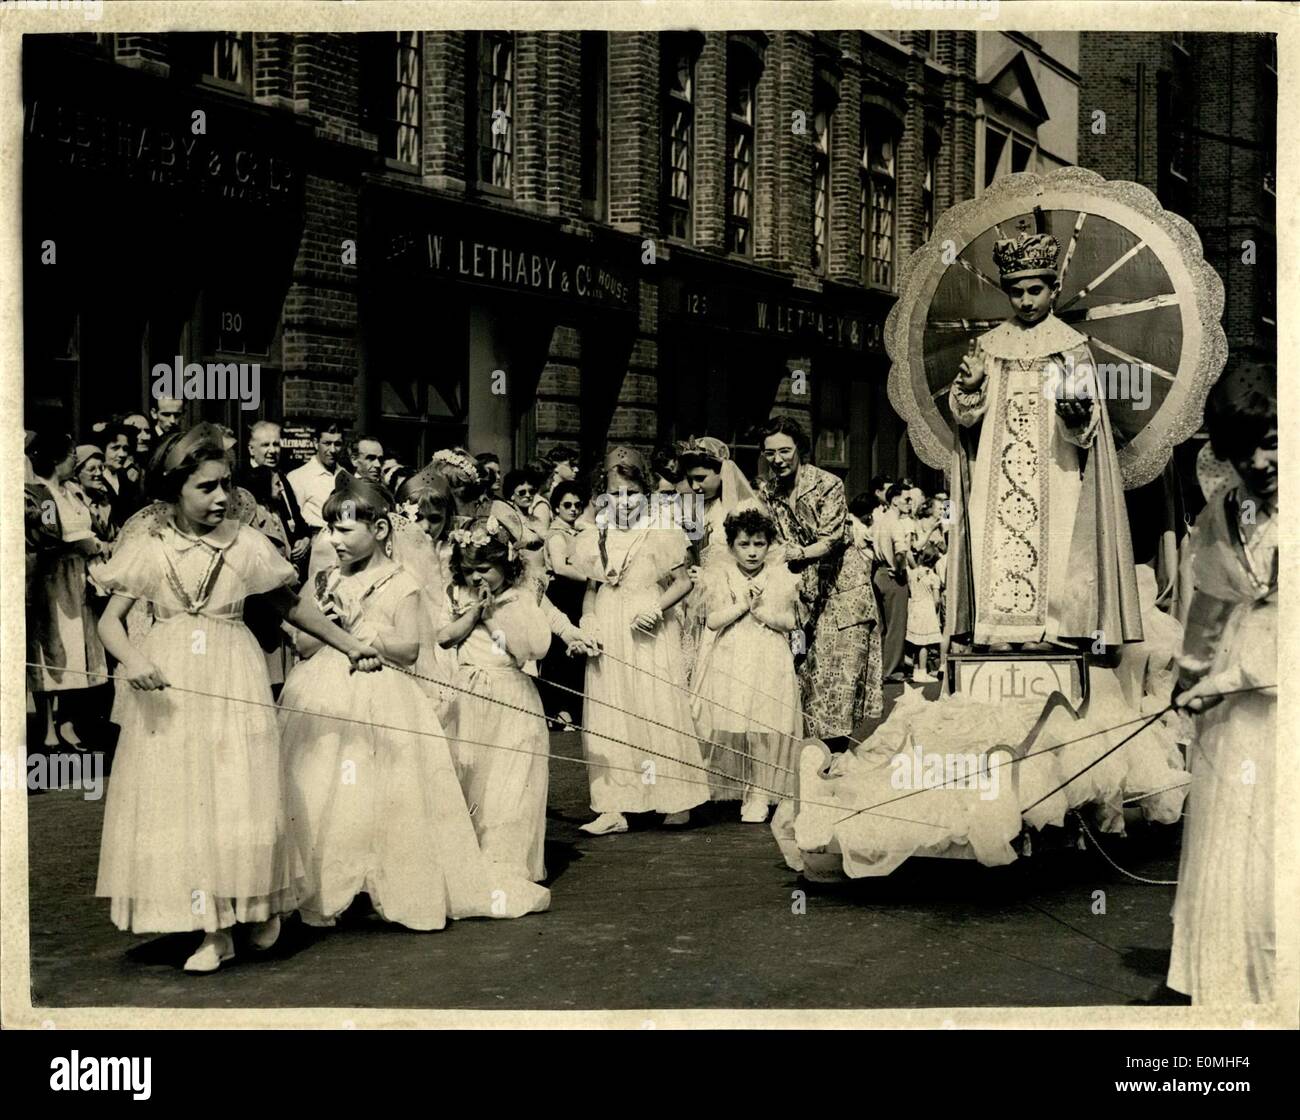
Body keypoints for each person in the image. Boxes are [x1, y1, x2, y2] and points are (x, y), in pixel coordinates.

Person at [93, 425, 384, 972]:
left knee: (235, 791)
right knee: (185, 798)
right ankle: (214, 928)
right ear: (175, 489)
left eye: (226, 484)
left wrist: (351, 647)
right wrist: (133, 661)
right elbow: (111, 623)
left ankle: (253, 904)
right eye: (206, 488)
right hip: (171, 679)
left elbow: (293, 607)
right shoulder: (149, 546)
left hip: (233, 672)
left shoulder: (246, 542)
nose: (221, 498)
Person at [279, 480, 550, 928]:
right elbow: (306, 644)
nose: (333, 540)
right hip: (325, 689)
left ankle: (378, 880)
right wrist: (325, 628)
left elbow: (408, 650)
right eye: (330, 529)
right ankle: (328, 884)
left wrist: (359, 635)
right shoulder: (327, 579)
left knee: (379, 785)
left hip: (381, 690)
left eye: (344, 530)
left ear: (382, 529)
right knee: (321, 782)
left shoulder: (400, 582)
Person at [946, 229, 1141, 650]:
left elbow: (1090, 433)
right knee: (994, 545)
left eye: (1035, 290)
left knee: (1058, 544)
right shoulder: (992, 346)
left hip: (1056, 468)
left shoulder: (1070, 349)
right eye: (1016, 292)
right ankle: (996, 632)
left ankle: (1053, 630)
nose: (1025, 301)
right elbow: (966, 419)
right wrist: (971, 388)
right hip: (998, 478)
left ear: (1055, 290)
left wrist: (1078, 414)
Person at [1167, 368, 1277, 1005]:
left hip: (1275, 690)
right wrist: (1190, 677)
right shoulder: (1226, 512)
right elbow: (1208, 604)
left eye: (1271, 443)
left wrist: (1227, 679)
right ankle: (1224, 969)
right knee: (1227, 828)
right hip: (1233, 694)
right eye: (1242, 452)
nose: (1258, 463)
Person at [440, 516, 595, 882]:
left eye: (485, 570)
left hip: (509, 694)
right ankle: (471, 859)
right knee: (471, 776)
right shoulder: (456, 596)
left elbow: (532, 650)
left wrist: (493, 618)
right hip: (469, 694)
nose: (477, 578)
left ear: (505, 565)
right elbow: (445, 638)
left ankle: (505, 860)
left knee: (508, 781)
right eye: (469, 570)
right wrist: (476, 611)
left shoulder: (521, 598)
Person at [572, 446, 708, 834]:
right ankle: (615, 803)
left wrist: (658, 607)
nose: (623, 502)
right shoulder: (598, 532)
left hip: (648, 624)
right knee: (611, 709)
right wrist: (588, 619)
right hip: (612, 625)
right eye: (615, 495)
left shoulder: (661, 527)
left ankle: (673, 798)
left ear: (644, 492)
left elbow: (682, 581)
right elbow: (594, 587)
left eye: (631, 494)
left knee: (654, 705)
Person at [757, 417, 882, 748]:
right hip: (803, 595)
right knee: (806, 679)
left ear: (800, 449)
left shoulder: (828, 484)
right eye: (770, 453)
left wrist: (794, 553)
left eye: (785, 450)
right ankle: (814, 761)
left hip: (843, 594)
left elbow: (831, 541)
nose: (778, 460)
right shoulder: (768, 492)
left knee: (837, 680)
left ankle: (834, 762)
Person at [692, 503, 802, 822]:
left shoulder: (779, 576)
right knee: (738, 723)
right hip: (734, 652)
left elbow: (790, 621)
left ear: (769, 545)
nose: (752, 552)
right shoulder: (722, 576)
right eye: (744, 544)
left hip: (768, 652)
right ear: (731, 546)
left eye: (759, 544)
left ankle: (762, 791)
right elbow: (712, 621)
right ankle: (742, 786)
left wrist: (763, 612)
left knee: (764, 725)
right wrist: (742, 605)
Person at [25, 429, 111, 749]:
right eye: (70, 453)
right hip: (53, 579)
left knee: (77, 652)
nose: (74, 458)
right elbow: (48, 537)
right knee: (52, 650)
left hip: (77, 578)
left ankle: (67, 723)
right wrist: (83, 545)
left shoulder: (71, 490)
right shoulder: (40, 493)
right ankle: (48, 727)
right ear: (55, 458)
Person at [540, 479, 590, 728]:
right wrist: (592, 577)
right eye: (567, 505)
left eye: (577, 505)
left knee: (576, 653)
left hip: (578, 594)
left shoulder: (577, 530)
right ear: (556, 507)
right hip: (563, 593)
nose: (573, 509)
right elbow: (560, 568)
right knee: (560, 653)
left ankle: (573, 707)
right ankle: (558, 710)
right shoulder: (557, 534)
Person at [286, 423, 345, 531]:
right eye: (327, 443)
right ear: (315, 443)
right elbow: (293, 522)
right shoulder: (297, 477)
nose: (332, 450)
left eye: (337, 444)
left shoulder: (346, 475)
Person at [906, 542, 944, 683]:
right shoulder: (934, 578)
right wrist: (936, 611)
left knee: (915, 641)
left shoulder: (912, 573)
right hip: (926, 609)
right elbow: (936, 600)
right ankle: (922, 671)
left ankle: (916, 670)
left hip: (914, 607)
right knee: (924, 644)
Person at [101, 423, 144, 525]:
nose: (122, 454)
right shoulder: (94, 479)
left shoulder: (125, 477)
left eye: (125, 449)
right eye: (115, 448)